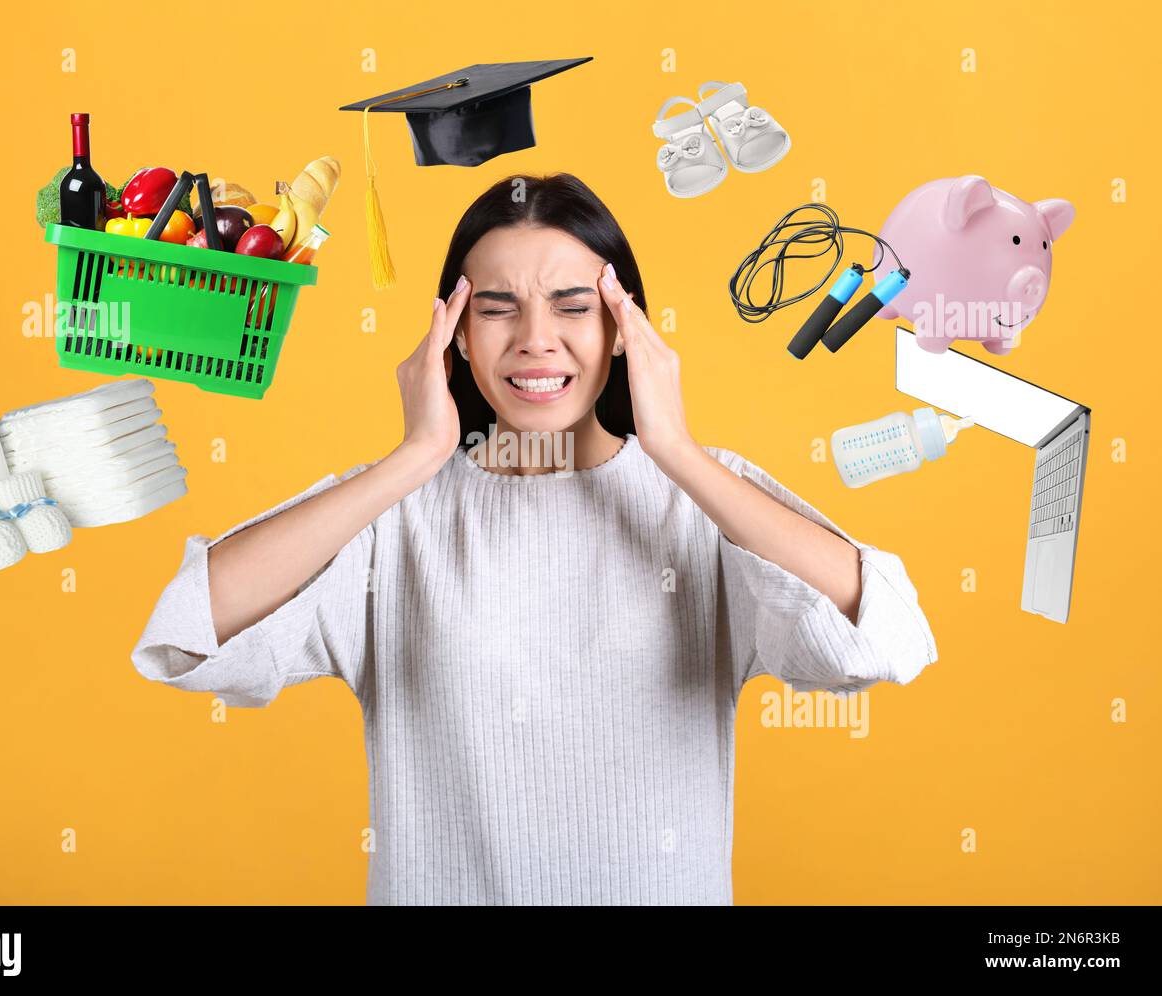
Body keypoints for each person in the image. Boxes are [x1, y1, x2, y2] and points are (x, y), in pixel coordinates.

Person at [132, 173, 937, 905]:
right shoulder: (400, 516)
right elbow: (193, 625)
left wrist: (679, 454)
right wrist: (412, 458)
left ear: (624, 329)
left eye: (572, 306)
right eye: (496, 308)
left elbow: (879, 635)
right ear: (452, 334)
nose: (535, 339)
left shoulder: (696, 499)